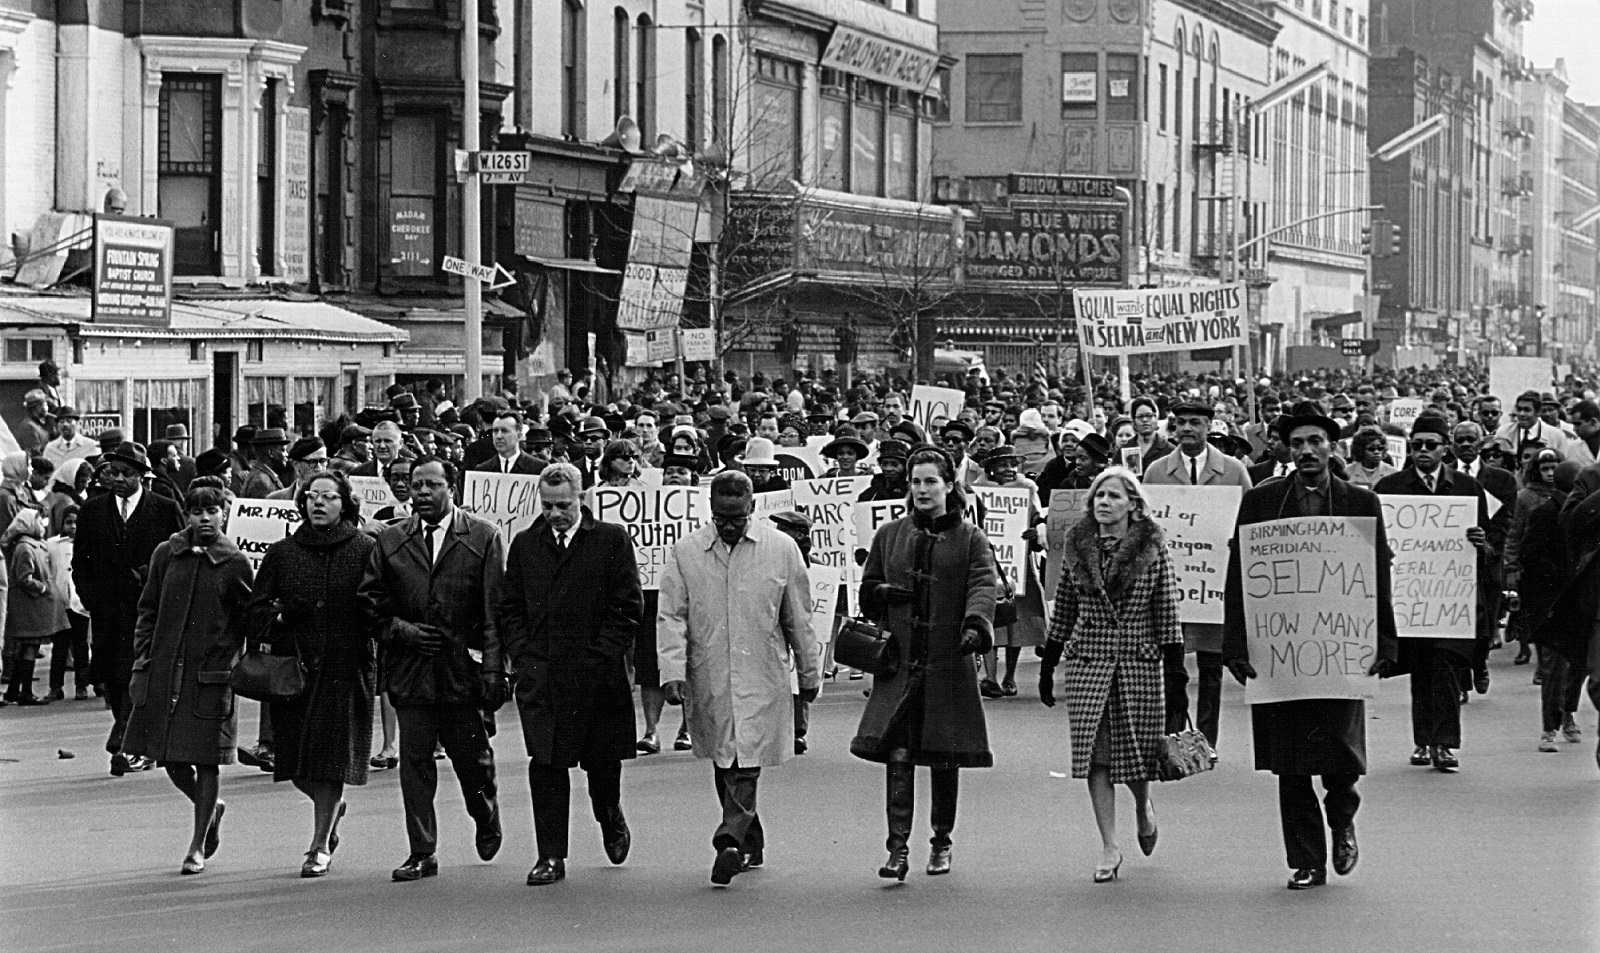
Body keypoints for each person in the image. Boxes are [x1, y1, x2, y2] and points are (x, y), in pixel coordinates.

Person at [1222, 407, 1398, 890]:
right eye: (1296, 442)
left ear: (1332, 446)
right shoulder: (1262, 503)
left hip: (1340, 649)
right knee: (1290, 759)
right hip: (1279, 653)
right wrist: (1234, 643)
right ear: (1284, 449)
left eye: (1315, 441)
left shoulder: (1362, 504)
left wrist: (1384, 641)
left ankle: (1342, 818)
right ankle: (1305, 859)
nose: (1306, 451)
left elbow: (1376, 577)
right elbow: (1239, 576)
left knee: (1340, 753)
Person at [657, 471, 818, 886]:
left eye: (737, 517)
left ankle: (728, 839)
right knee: (725, 756)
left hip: (761, 672)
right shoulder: (686, 551)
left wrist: (809, 670)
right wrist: (672, 670)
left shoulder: (781, 549)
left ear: (752, 508)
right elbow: (671, 615)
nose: (728, 525)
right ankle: (752, 840)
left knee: (745, 759)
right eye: (720, 517)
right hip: (708, 671)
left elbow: (798, 617)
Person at [359, 457, 507, 882]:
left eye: (431, 485)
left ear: (451, 488)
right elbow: (370, 605)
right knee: (415, 761)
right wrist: (402, 631)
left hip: (463, 670)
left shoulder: (482, 537)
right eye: (415, 485)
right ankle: (422, 850)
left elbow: (495, 612)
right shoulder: (389, 541)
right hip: (411, 671)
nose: (421, 493)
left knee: (472, 760)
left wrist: (496, 671)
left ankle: (486, 814)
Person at [853, 447, 998, 881]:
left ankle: (941, 841)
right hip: (899, 661)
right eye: (915, 482)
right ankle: (897, 848)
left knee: (944, 755)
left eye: (930, 481)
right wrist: (880, 593)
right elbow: (869, 582)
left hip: (947, 660)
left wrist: (975, 624)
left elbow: (982, 582)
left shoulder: (970, 537)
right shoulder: (890, 534)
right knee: (897, 752)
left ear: (949, 485)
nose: (921, 490)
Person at [1037, 467, 1184, 882]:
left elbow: (1168, 614)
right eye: (1099, 495)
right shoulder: (1077, 545)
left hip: (1137, 662)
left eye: (1114, 496)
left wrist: (1177, 680)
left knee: (1135, 756)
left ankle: (1143, 806)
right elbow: (1064, 605)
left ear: (1133, 505)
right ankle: (1109, 845)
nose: (1104, 502)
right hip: (1088, 663)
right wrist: (1049, 664)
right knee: (1094, 758)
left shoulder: (1153, 548)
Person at [500, 463, 644, 886]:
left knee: (601, 764)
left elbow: (627, 605)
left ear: (581, 498)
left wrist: (601, 656)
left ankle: (610, 816)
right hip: (543, 676)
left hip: (596, 675)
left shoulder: (610, 540)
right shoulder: (526, 545)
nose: (555, 515)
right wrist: (523, 654)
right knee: (545, 764)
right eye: (547, 506)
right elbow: (511, 606)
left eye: (563, 505)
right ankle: (550, 855)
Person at [247, 471, 378, 878]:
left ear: (345, 504)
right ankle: (331, 810)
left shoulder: (365, 549)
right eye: (311, 497)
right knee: (297, 764)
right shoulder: (283, 552)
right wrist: (283, 615)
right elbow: (254, 611)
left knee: (331, 760)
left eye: (329, 497)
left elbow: (381, 605)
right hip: (295, 670)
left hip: (345, 665)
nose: (318, 504)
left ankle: (319, 846)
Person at [120, 484, 255, 874]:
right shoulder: (167, 553)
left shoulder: (234, 562)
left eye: (213, 511)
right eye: (197, 512)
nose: (205, 519)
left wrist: (231, 662)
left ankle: (197, 845)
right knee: (167, 757)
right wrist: (144, 656)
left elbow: (246, 620)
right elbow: (148, 608)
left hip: (210, 678)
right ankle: (209, 807)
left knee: (208, 761)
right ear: (187, 516)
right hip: (163, 672)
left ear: (224, 514)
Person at [1374, 415, 1493, 770]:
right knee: (1422, 669)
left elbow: (1488, 547)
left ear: (1446, 448)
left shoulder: (1468, 489)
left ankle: (1444, 744)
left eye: (1431, 445)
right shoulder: (1389, 488)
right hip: (1410, 595)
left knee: (1446, 667)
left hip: (1452, 597)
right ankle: (1423, 741)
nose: (1423, 452)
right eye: (1416, 446)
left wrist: (1481, 543)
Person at [1139, 399, 1253, 749]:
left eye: (1195, 423)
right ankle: (1172, 735)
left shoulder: (1233, 471)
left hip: (1215, 584)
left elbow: (1248, 523)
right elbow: (1145, 529)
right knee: (1171, 664)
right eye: (1181, 423)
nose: (1187, 429)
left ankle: (1206, 739)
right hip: (1172, 586)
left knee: (1211, 665)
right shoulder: (1156, 472)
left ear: (1209, 427)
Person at [72, 443, 185, 776]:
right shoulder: (92, 511)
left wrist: (163, 593)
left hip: (149, 612)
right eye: (113, 472)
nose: (118, 479)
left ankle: (126, 743)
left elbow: (178, 556)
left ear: (142, 476)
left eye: (127, 473)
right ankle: (134, 741)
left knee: (140, 673)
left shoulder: (164, 509)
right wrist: (90, 597)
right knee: (113, 678)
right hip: (107, 612)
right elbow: (81, 561)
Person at [1511, 461, 1585, 751]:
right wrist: (1561, 574)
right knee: (1553, 666)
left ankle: (1568, 715)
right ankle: (1549, 727)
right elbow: (1530, 552)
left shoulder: (1587, 513)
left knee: (1576, 665)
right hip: (1551, 601)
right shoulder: (1545, 513)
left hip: (1579, 600)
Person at [972, 446, 1046, 698]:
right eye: (1003, 464)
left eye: (1013, 464)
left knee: (1015, 618)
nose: (1010, 469)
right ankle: (990, 677)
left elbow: (1038, 521)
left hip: (1019, 564)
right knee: (989, 616)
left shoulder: (1028, 490)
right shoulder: (977, 492)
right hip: (987, 564)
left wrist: (1035, 534)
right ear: (991, 467)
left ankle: (1009, 676)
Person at [1, 510, 68, 705]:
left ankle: (15, 690)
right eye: (40, 522)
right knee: (30, 646)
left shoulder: (33, 546)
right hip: (31, 607)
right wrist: (43, 588)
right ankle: (26, 692)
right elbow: (24, 578)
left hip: (34, 606)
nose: (44, 526)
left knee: (27, 647)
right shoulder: (25, 548)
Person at [44, 503, 89, 701]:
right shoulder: (52, 545)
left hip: (79, 603)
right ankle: (55, 686)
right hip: (59, 603)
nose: (72, 527)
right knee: (60, 647)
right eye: (68, 522)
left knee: (81, 647)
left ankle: (82, 685)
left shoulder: (87, 543)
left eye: (76, 522)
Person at [472, 411, 544, 475]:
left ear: (518, 434)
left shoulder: (539, 468)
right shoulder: (482, 470)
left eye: (505, 431)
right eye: (495, 431)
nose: (499, 436)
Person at [241, 429, 289, 498]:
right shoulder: (261, 481)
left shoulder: (263, 476)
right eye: (283, 450)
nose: (286, 454)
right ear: (271, 453)